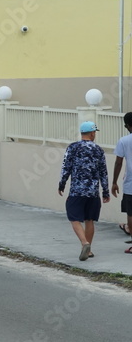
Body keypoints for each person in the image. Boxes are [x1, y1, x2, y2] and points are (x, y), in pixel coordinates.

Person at [59, 121, 110, 261]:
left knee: (74, 217)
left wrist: (62, 184)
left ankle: (84, 243)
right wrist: (105, 191)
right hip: (93, 192)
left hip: (77, 191)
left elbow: (66, 167)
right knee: (89, 220)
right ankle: (88, 250)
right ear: (92, 133)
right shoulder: (98, 149)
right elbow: (103, 172)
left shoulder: (73, 147)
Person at [111, 112, 132, 249]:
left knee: (131, 213)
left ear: (127, 126)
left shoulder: (124, 141)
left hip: (130, 184)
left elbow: (118, 163)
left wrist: (114, 182)